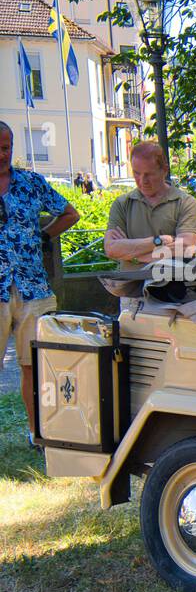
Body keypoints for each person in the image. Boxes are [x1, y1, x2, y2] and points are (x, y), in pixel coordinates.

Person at [0, 121, 81, 446]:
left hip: (33, 289)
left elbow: (70, 213)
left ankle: (38, 434)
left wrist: (44, 236)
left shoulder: (31, 183)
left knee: (33, 367)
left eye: (6, 146)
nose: (2, 154)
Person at [103, 141, 196, 270]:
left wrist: (134, 256)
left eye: (149, 174)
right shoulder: (122, 203)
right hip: (131, 286)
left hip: (173, 284)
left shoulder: (185, 202)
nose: (142, 181)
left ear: (164, 170)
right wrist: (160, 240)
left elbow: (186, 248)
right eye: (136, 173)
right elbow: (112, 249)